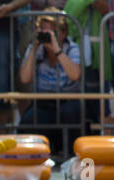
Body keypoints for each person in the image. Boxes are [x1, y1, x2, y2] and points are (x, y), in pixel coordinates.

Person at [18, 11, 81, 150]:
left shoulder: (71, 48)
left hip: (68, 100)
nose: (47, 36)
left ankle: (69, 156)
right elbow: (24, 78)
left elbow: (75, 75)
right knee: (30, 120)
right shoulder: (36, 48)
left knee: (70, 114)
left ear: (64, 33)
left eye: (52, 32)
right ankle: (37, 156)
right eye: (43, 31)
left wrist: (57, 51)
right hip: (43, 101)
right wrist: (34, 49)